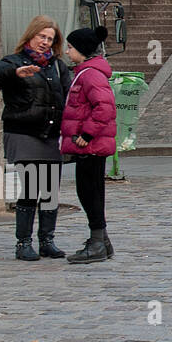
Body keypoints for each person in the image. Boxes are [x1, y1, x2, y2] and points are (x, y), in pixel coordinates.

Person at [0, 15, 71, 260]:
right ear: (32, 34)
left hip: (51, 135)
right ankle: (23, 243)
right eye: (42, 36)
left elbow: (68, 96)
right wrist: (12, 73)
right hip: (24, 133)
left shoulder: (57, 66)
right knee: (31, 187)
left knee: (50, 190)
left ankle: (47, 240)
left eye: (50, 39)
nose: (45, 42)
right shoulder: (13, 61)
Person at [61, 26, 117, 264]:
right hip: (92, 144)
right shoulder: (87, 72)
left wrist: (86, 133)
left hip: (90, 145)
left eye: (70, 47)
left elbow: (104, 107)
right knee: (92, 190)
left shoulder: (90, 74)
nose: (66, 51)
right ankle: (101, 241)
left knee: (88, 191)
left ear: (82, 50)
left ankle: (97, 242)